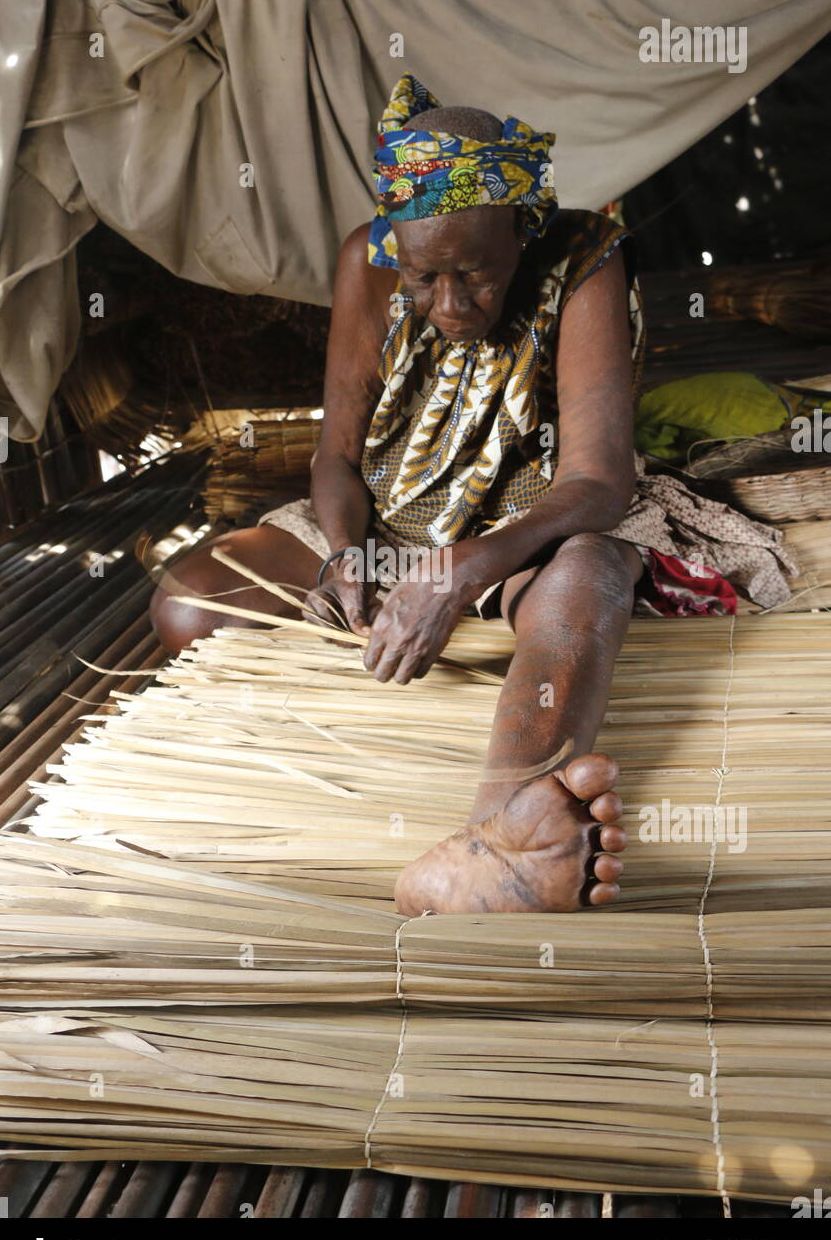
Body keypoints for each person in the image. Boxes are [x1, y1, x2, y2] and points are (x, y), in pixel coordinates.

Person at [150, 74, 795, 917]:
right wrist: (352, 554)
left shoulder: (585, 260)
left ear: (521, 233)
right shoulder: (366, 259)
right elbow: (337, 459)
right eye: (423, 279)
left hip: (536, 518)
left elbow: (598, 480)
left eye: (478, 276)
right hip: (392, 507)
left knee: (588, 582)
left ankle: (504, 838)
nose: (449, 304)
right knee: (187, 605)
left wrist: (460, 573)